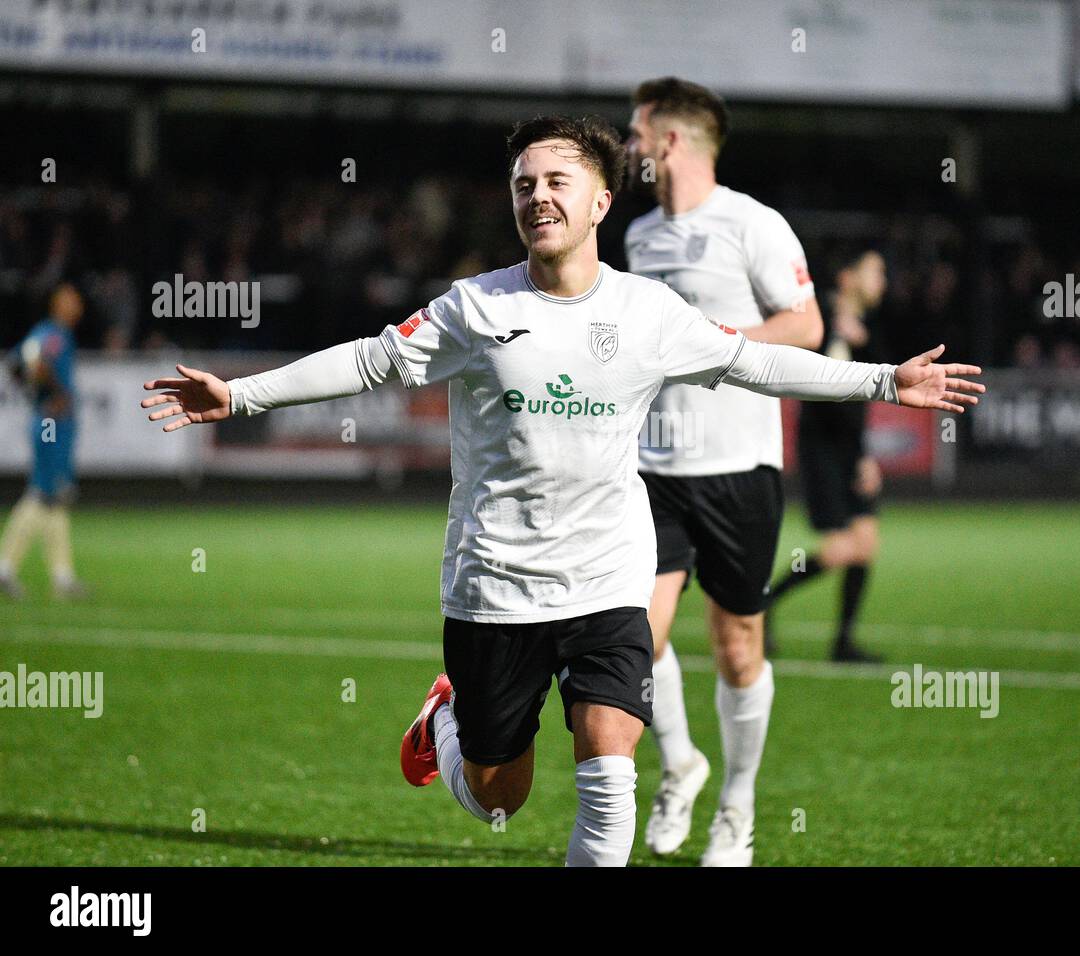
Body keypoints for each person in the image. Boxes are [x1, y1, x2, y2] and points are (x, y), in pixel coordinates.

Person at [140, 115, 983, 867]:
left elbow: (754, 361)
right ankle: (448, 720)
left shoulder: (650, 312)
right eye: (523, 185)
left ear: (601, 202)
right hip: (494, 587)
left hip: (608, 577)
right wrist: (241, 394)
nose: (537, 196)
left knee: (611, 782)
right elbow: (367, 359)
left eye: (556, 181)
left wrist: (882, 379)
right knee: (501, 797)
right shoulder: (473, 308)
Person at [623, 77, 825, 864]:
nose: (630, 147)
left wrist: (718, 338)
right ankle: (680, 763)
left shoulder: (752, 224)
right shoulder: (638, 236)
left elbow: (806, 325)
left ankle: (736, 804)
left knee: (739, 646)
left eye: (638, 134)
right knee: (632, 635)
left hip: (739, 467)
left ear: (671, 140)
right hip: (650, 470)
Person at [767, 251, 891, 663]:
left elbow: (855, 402)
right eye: (874, 271)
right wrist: (859, 455)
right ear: (847, 276)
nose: (881, 281)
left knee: (866, 544)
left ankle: (843, 642)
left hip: (851, 450)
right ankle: (763, 603)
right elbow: (831, 399)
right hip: (825, 451)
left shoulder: (860, 328)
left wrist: (864, 454)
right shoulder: (825, 324)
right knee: (842, 548)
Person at [0, 283, 90, 600]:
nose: (76, 306)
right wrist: (54, 393)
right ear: (57, 304)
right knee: (43, 493)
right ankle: (4, 567)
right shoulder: (53, 334)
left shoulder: (49, 333)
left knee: (56, 496)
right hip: (51, 423)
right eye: (71, 300)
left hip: (49, 419)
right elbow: (35, 363)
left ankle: (62, 578)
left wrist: (34, 391)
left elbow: (15, 363)